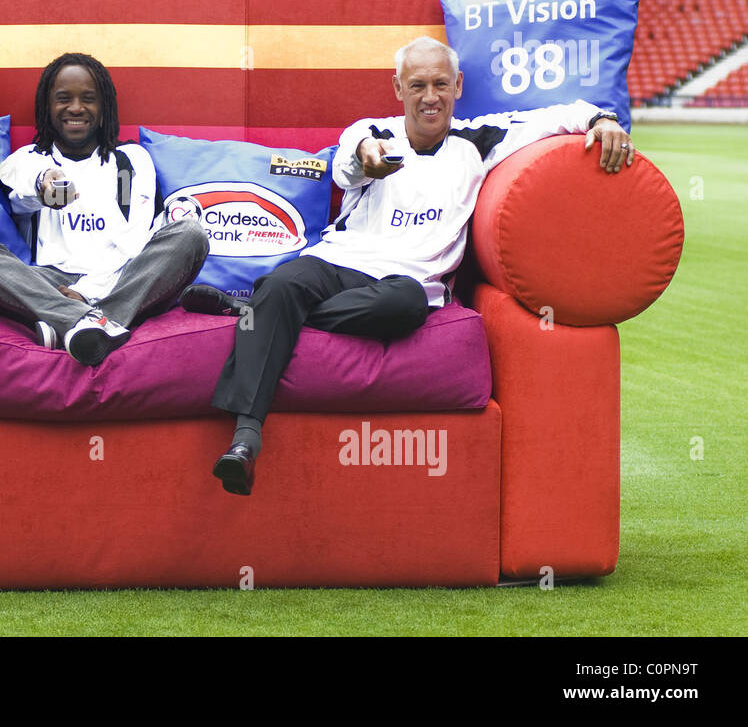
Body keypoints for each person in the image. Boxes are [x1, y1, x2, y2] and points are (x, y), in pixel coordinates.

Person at [183, 36, 637, 495]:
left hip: (406, 280)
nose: (430, 97)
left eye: (441, 84)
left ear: (458, 86)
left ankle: (255, 314)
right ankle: (245, 439)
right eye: (417, 85)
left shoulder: (478, 140)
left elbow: (556, 116)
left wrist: (602, 121)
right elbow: (351, 161)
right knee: (283, 284)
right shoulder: (373, 134)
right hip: (340, 260)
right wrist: (368, 162)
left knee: (403, 306)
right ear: (398, 88)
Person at [0, 52, 209, 366]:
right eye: (63, 98)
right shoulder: (30, 158)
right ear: (47, 109)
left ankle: (70, 322)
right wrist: (44, 185)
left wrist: (87, 293)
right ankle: (94, 323)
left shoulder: (130, 162)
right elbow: (22, 183)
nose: (75, 108)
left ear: (103, 109)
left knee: (190, 235)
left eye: (88, 99)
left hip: (120, 278)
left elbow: (132, 244)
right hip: (48, 280)